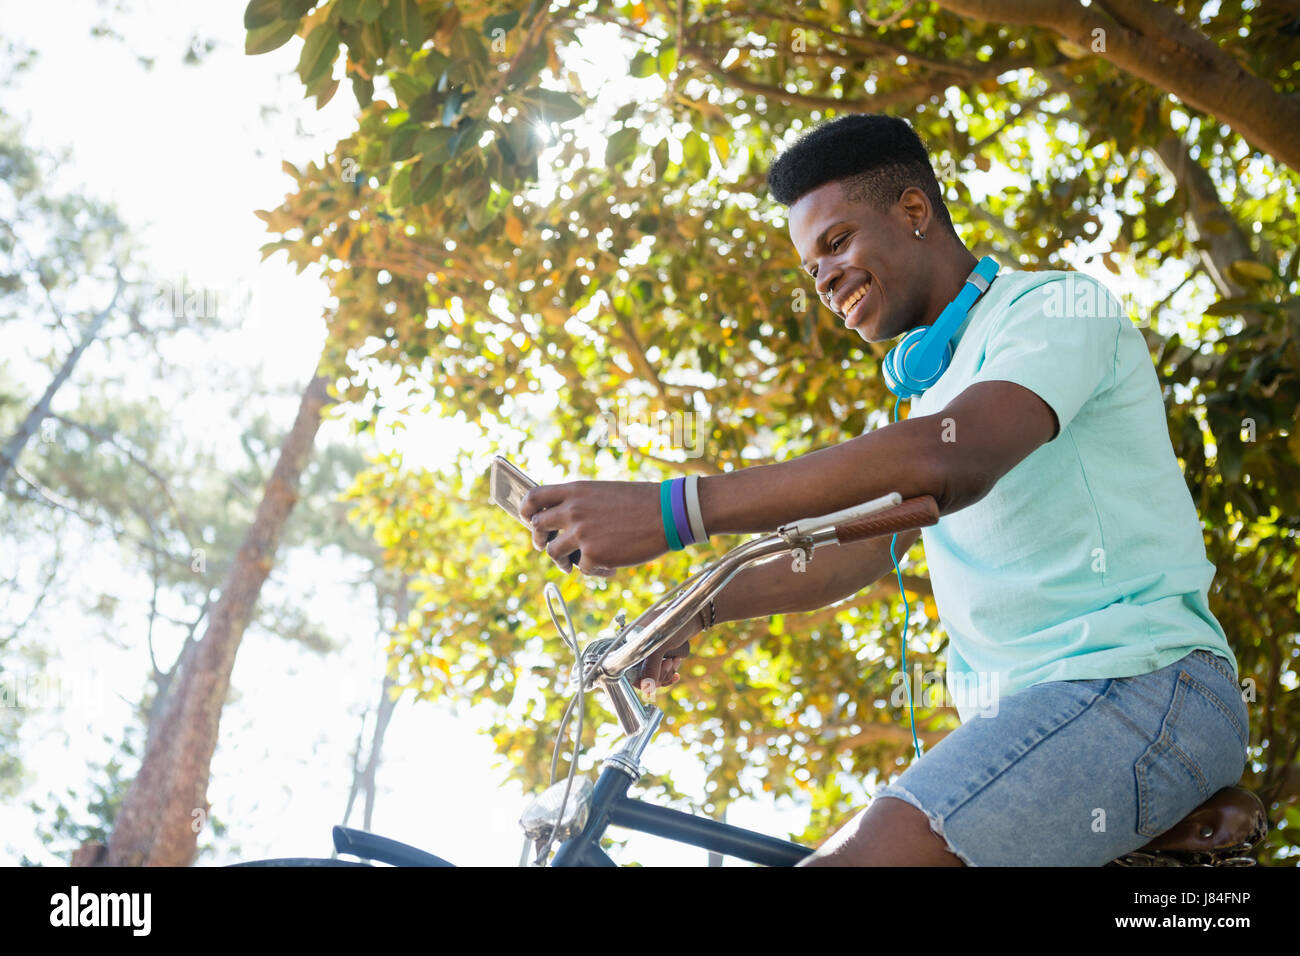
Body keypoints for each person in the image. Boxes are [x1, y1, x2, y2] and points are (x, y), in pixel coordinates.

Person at [519, 114, 1248, 866]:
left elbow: (950, 460)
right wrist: (693, 612)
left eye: (836, 244)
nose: (825, 279)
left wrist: (677, 510)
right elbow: (848, 553)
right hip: (1040, 720)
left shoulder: (1054, 312)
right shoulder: (926, 406)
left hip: (1140, 686)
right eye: (811, 268)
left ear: (913, 211)